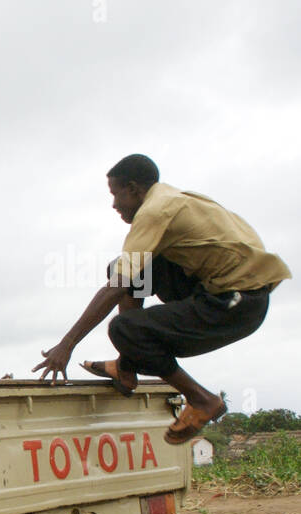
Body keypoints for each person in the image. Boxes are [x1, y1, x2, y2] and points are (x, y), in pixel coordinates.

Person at [35, 154, 290, 444]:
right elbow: (126, 275)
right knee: (130, 269)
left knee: (125, 327)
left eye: (115, 194)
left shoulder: (155, 211)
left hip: (235, 305)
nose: (114, 204)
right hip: (226, 290)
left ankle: (201, 399)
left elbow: (116, 287)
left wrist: (66, 345)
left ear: (133, 188)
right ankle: (126, 368)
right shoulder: (173, 199)